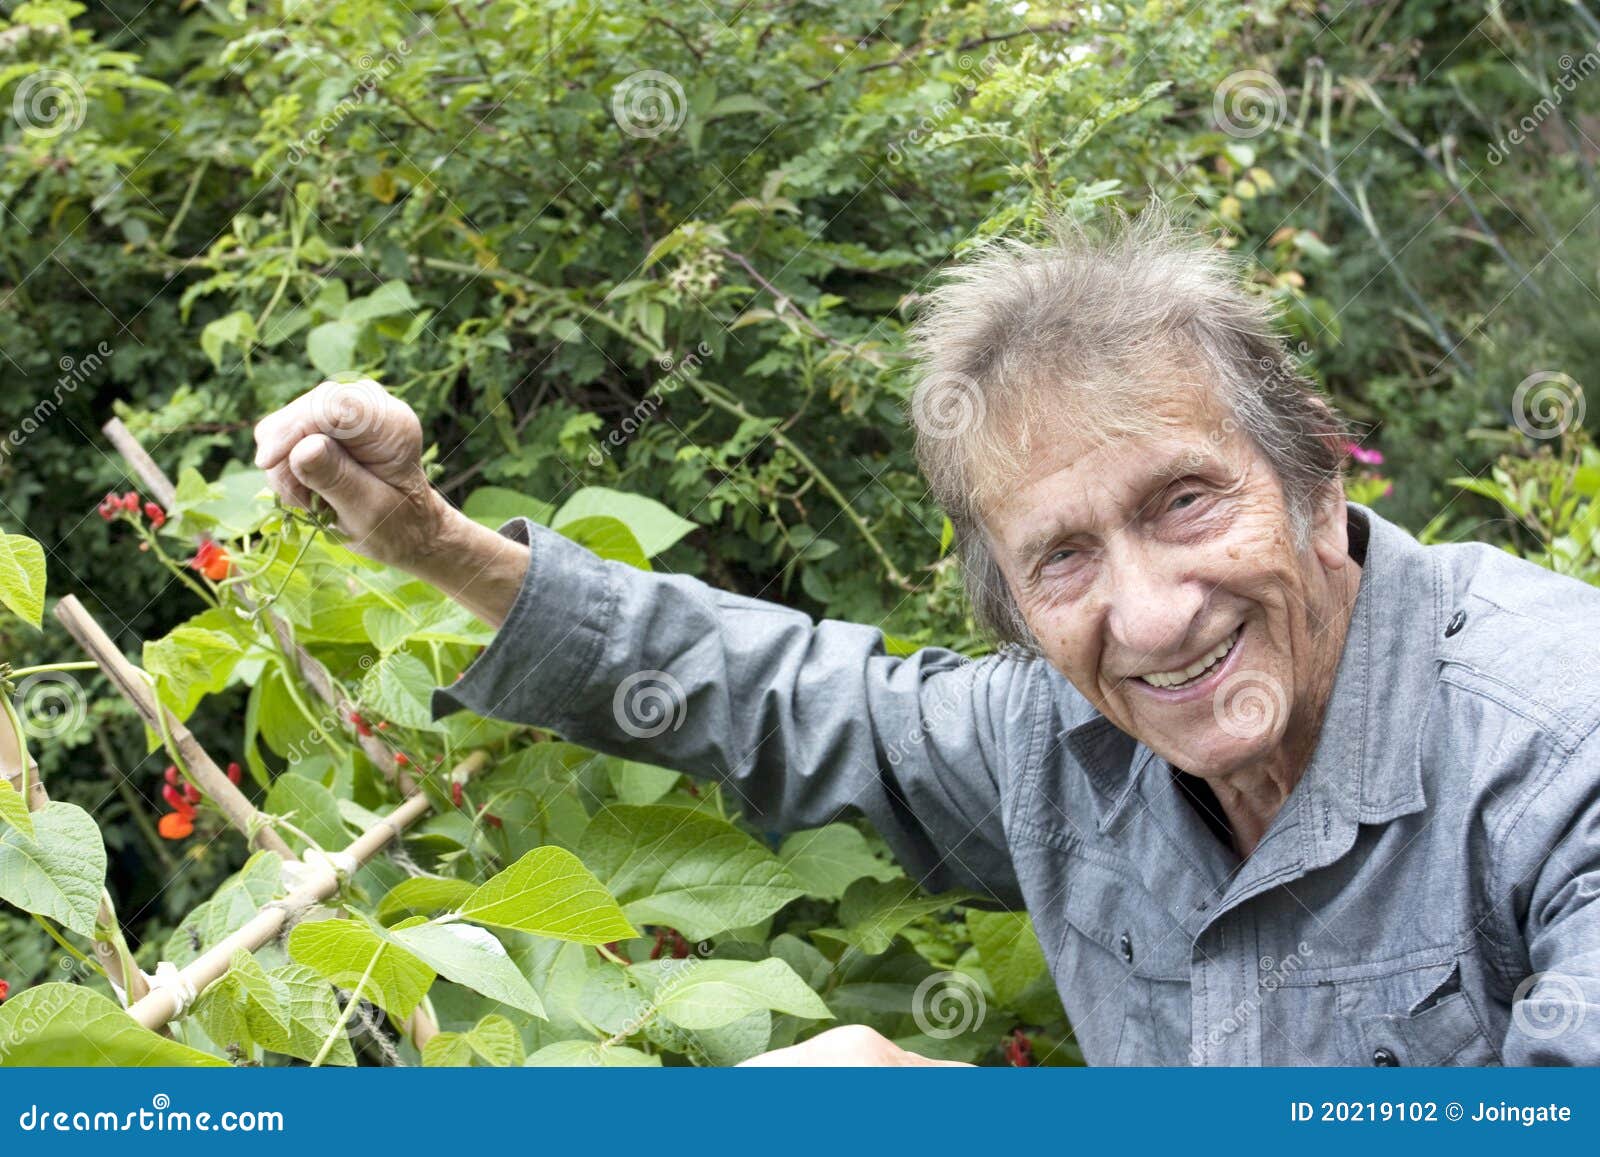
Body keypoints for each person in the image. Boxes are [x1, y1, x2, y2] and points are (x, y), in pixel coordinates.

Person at [254, 209, 1600, 1066]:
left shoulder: (1557, 738)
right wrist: (432, 539)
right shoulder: (1070, 743)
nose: (1152, 613)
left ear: (1316, 484)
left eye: (1185, 500)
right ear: (1016, 611)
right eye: (1062, 558)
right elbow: (780, 696)